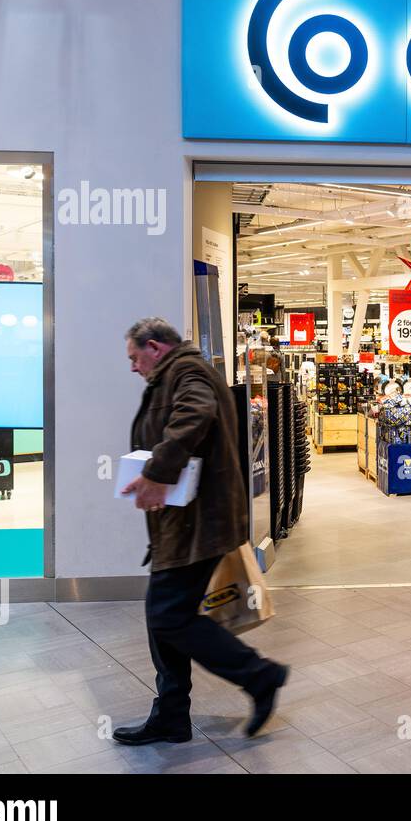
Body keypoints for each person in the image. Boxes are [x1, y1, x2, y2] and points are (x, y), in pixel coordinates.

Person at [117, 317, 288, 745]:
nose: (133, 367)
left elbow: (196, 415)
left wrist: (157, 472)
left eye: (135, 357)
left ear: (155, 347)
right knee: (165, 619)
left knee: (166, 615)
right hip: (182, 523)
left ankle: (260, 676)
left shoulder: (188, 372)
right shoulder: (176, 372)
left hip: (198, 524)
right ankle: (172, 716)